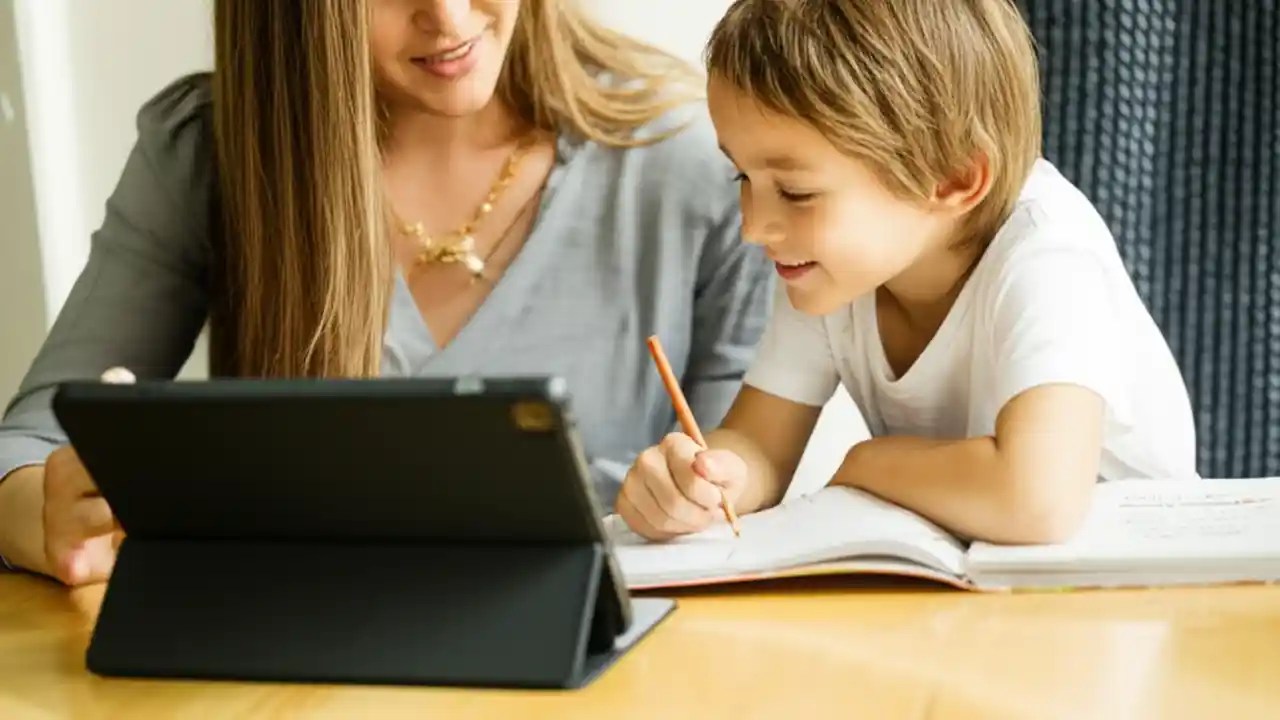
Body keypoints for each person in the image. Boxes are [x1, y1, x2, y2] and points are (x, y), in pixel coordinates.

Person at [0, 0, 773, 585]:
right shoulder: (212, 151)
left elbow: (740, 496)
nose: (446, 14)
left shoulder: (697, 159)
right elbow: (25, 448)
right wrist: (53, 517)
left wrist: (692, 501)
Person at [616, 0, 1197, 545]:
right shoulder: (827, 270)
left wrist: (866, 462)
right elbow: (759, 443)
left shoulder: (1049, 253)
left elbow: (1036, 500)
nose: (754, 226)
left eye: (795, 191)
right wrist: (705, 480)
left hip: (1141, 593)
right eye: (743, 178)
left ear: (952, 180)